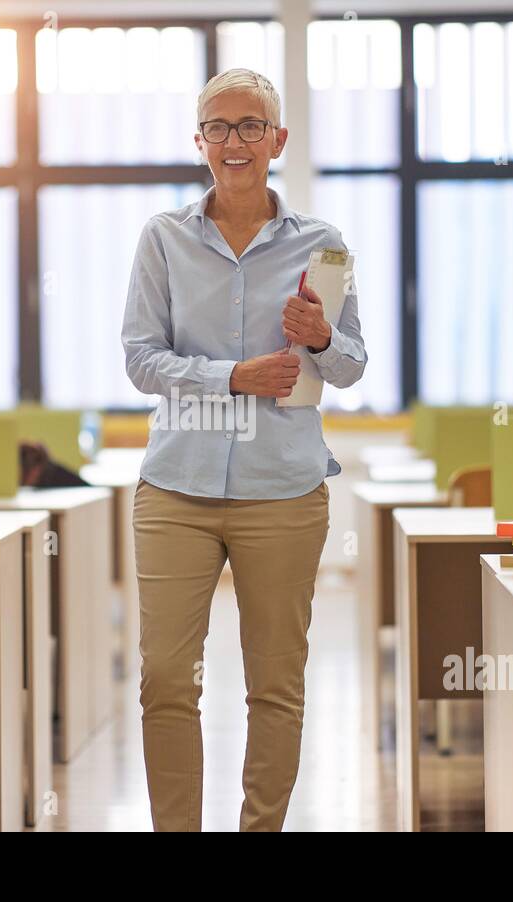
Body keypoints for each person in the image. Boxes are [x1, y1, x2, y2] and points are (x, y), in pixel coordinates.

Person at [121, 68, 366, 831]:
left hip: (284, 490)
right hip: (177, 488)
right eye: (218, 128)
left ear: (277, 140)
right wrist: (234, 375)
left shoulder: (323, 246)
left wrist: (321, 337)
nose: (234, 142)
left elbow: (352, 366)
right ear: (200, 142)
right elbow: (139, 359)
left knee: (276, 684)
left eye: (250, 126)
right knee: (164, 677)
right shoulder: (163, 239)